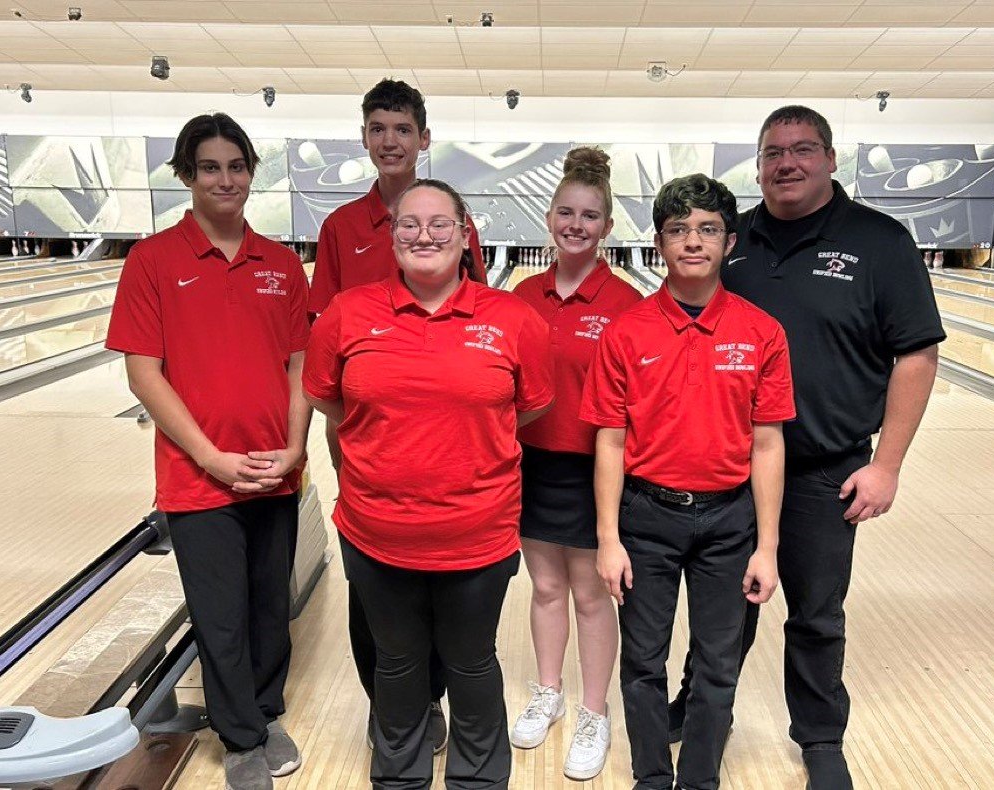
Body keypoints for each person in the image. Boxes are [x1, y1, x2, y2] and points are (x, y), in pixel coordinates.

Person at [669, 105, 945, 790]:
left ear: (828, 158)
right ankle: (704, 710)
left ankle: (819, 735)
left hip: (826, 469)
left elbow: (915, 355)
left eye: (801, 149)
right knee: (720, 607)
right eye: (771, 153)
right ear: (758, 164)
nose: (785, 163)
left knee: (816, 613)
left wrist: (885, 465)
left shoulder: (880, 241)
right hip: (729, 467)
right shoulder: (732, 239)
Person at [302, 178, 553, 789]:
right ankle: (399, 780)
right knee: (398, 663)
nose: (424, 235)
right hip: (375, 534)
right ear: (391, 238)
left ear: (465, 234)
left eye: (440, 223)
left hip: (479, 538)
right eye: (408, 224)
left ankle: (478, 781)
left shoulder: (513, 319)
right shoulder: (347, 314)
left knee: (471, 663)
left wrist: (462, 440)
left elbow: (529, 409)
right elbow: (331, 403)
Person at [106, 113, 310, 790]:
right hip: (199, 480)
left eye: (236, 166)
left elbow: (298, 365)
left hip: (275, 469)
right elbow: (144, 373)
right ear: (187, 176)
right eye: (210, 168)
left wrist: (293, 447)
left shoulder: (281, 263)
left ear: (251, 172)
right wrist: (211, 457)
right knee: (220, 617)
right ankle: (242, 737)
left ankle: (265, 708)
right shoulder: (152, 261)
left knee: (267, 610)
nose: (226, 180)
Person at [581, 173, 796, 790]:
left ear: (729, 242)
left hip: (730, 523)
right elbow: (610, 441)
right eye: (678, 230)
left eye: (707, 230)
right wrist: (608, 539)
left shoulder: (762, 332)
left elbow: (768, 442)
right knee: (643, 662)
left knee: (718, 666)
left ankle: (700, 778)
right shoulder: (627, 332)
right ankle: (651, 776)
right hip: (647, 519)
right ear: (658, 244)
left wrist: (768, 547)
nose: (692, 242)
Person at [306, 78, 486, 752]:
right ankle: (391, 702)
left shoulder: (450, 222)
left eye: (401, 129)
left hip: (443, 434)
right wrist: (344, 418)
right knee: (371, 573)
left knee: (443, 577)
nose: (389, 141)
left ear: (423, 139)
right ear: (364, 138)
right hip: (362, 430)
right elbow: (320, 333)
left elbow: (479, 320)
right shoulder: (340, 229)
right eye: (377, 128)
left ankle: (431, 695)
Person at [509, 147, 641, 779]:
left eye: (590, 216)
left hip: (596, 472)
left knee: (591, 594)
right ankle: (549, 691)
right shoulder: (521, 293)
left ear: (607, 228)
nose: (576, 224)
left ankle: (593, 711)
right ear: (549, 216)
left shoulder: (625, 301)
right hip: (529, 464)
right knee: (545, 587)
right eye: (566, 212)